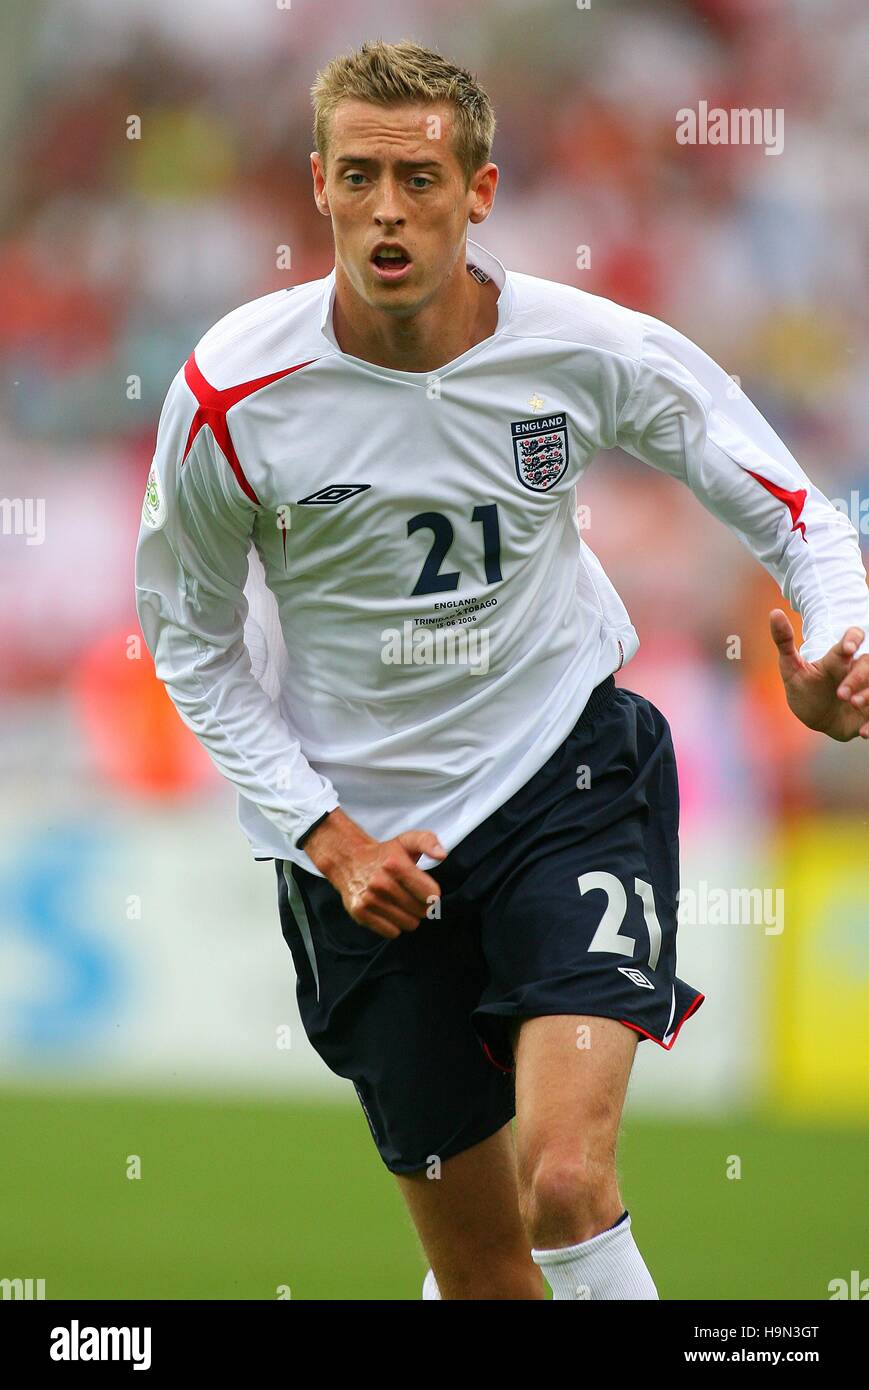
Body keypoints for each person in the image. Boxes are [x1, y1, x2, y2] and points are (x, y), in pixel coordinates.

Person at [135, 39, 869, 1301]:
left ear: (478, 192)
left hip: (561, 774)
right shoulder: (229, 396)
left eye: (418, 179)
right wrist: (326, 834)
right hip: (362, 850)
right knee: (483, 1271)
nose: (385, 210)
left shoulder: (586, 347)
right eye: (357, 175)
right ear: (315, 183)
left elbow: (796, 508)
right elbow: (188, 641)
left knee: (568, 1184)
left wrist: (841, 647)